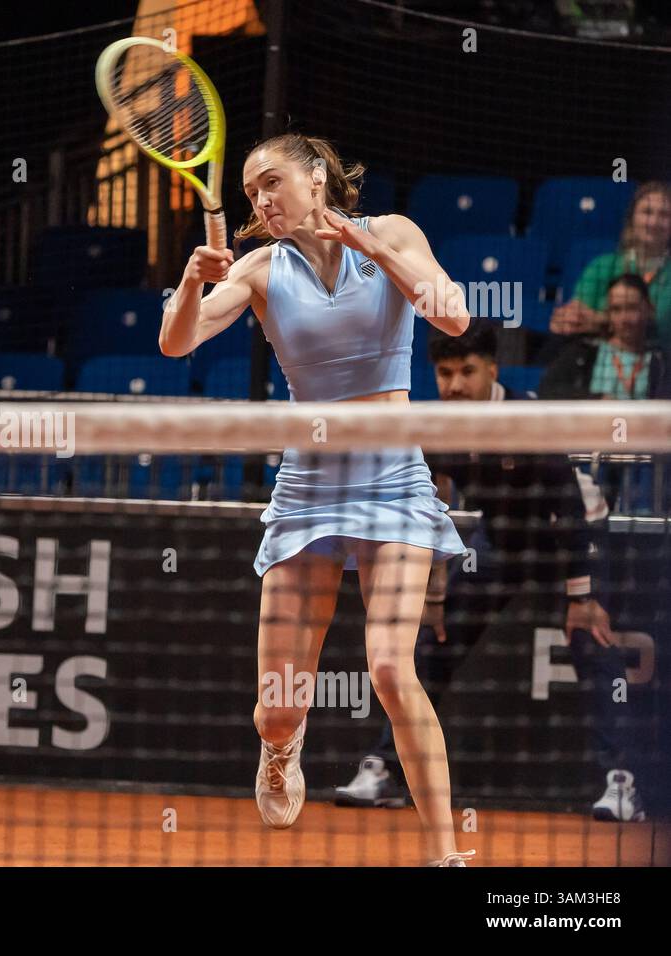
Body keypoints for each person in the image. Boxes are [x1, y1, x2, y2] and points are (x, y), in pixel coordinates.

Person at [161, 133, 474, 866]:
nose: (262, 201)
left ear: (314, 178)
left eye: (272, 183)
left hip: (394, 482)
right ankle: (281, 745)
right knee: (278, 702)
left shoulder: (393, 233)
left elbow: (452, 315)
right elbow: (179, 344)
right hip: (308, 491)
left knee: (393, 671)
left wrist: (371, 248)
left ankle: (443, 855)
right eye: (250, 193)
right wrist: (189, 284)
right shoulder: (259, 267)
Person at [334, 321, 647, 822]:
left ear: (492, 371)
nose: (455, 385)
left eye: (467, 371)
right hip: (499, 542)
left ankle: (621, 784)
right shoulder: (437, 428)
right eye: (445, 372)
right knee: (435, 642)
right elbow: (427, 503)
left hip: (569, 537)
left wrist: (581, 596)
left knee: (594, 645)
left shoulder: (526, 419)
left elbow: (567, 506)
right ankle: (384, 771)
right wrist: (434, 594)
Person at [549, 182, 671, 350]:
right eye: (647, 212)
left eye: (664, 215)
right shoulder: (602, 265)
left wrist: (599, 321)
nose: (654, 222)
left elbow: (660, 326)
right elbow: (575, 317)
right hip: (595, 353)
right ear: (632, 218)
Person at [541, 274, 670, 400]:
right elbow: (547, 390)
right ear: (608, 313)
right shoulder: (583, 353)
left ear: (649, 309)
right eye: (616, 309)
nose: (624, 319)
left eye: (632, 308)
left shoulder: (662, 362)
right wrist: (597, 399)